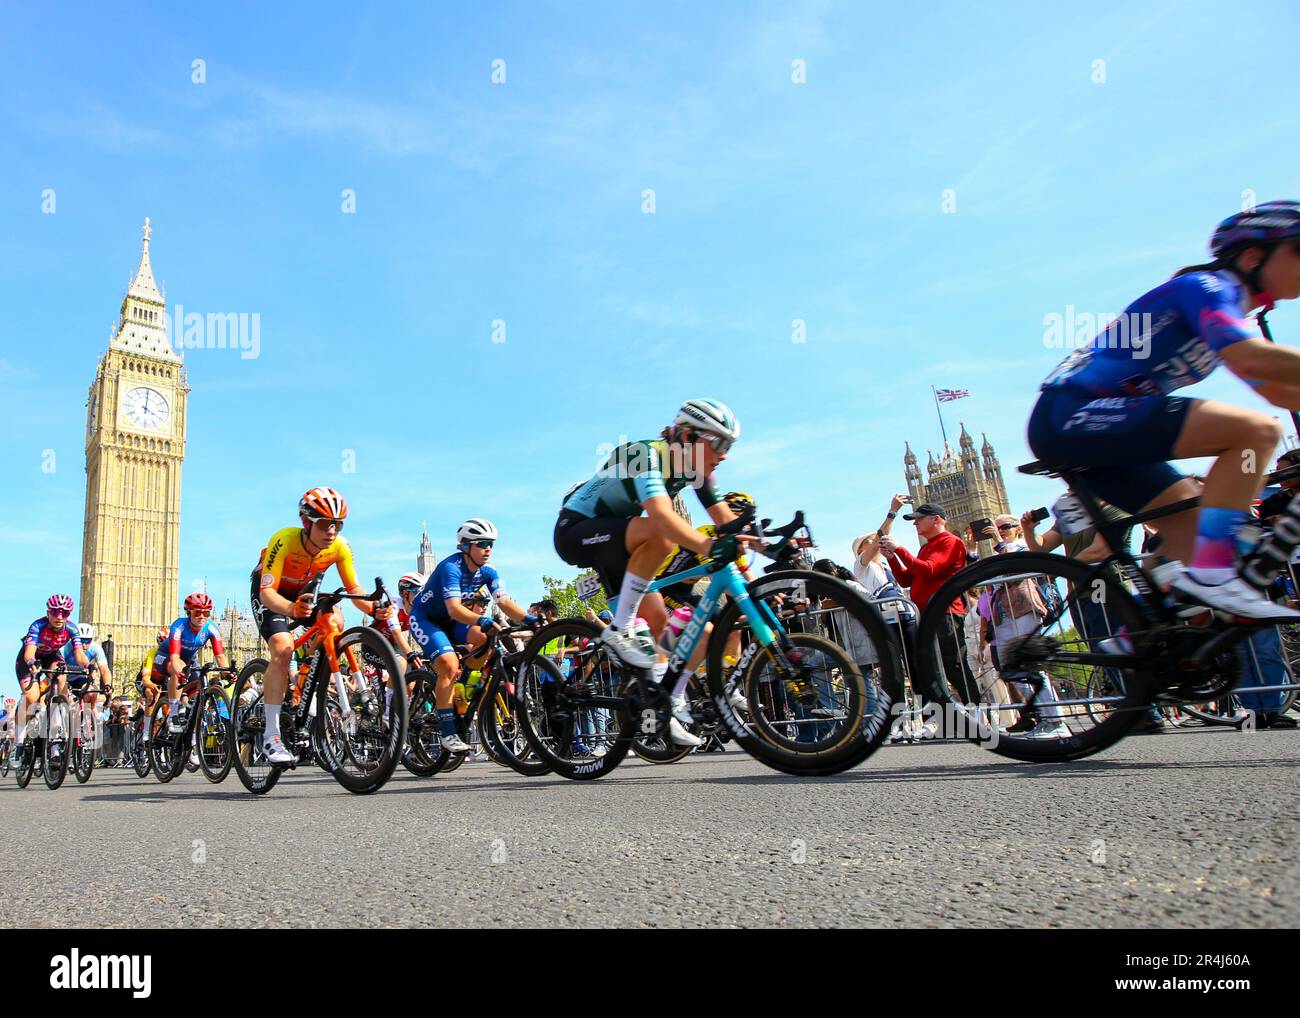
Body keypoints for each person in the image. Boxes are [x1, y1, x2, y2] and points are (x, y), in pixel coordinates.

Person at [1028, 201, 1300, 620]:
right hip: (1070, 413)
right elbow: (1251, 359)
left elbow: (1277, 390)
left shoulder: (1230, 306)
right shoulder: (1206, 288)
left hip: (1109, 434)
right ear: (1252, 256)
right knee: (1257, 431)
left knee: (1204, 541)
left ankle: (1138, 641)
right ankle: (1209, 579)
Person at [554, 399, 753, 746]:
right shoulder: (645, 454)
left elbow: (725, 521)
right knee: (661, 535)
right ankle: (619, 629)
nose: (725, 453)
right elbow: (661, 515)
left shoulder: (698, 469)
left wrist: (766, 546)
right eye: (719, 443)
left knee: (660, 624)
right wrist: (709, 547)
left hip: (622, 544)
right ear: (689, 436)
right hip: (577, 529)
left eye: (730, 445)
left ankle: (666, 704)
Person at [251, 486, 391, 765]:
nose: (332, 532)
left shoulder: (339, 547)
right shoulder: (284, 540)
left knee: (336, 620)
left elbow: (355, 590)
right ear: (306, 522)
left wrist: (376, 608)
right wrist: (291, 609)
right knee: (282, 647)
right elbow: (268, 594)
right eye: (326, 524)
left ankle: (307, 675)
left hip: (305, 593)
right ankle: (271, 736)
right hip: (273, 592)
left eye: (337, 525)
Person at [407, 519, 537, 754]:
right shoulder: (451, 568)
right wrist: (483, 620)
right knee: (448, 664)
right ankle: (447, 732)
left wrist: (530, 621)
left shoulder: (488, 571)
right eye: (483, 544)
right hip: (427, 619)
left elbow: (504, 602)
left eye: (491, 544)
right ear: (466, 546)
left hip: (453, 620)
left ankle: (463, 686)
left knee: (486, 638)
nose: (488, 549)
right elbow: (455, 609)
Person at [879, 504, 978, 717]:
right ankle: (948, 717)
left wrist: (899, 550)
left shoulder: (950, 542)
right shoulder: (927, 546)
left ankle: (977, 712)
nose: (915, 523)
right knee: (933, 668)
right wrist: (892, 558)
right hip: (928, 614)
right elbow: (907, 578)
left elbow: (930, 569)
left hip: (946, 612)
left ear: (936, 519)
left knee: (953, 665)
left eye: (919, 518)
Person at [14, 595, 89, 764]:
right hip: (30, 660)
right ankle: (18, 742)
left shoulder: (72, 629)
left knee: (61, 677)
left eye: (65, 613)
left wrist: (88, 666)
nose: (60, 616)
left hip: (52, 656)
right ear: (48, 612)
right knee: (32, 699)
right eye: (55, 612)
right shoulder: (38, 625)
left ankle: (55, 738)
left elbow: (79, 655)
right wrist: (32, 662)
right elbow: (29, 652)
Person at [157, 593, 231, 734]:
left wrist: (227, 672)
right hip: (166, 656)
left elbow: (220, 656)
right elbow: (174, 658)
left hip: (189, 660)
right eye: (197, 612)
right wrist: (180, 672)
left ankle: (191, 729)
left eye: (206, 613)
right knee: (177, 670)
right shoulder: (179, 626)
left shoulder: (211, 628)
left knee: (199, 683)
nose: (202, 616)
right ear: (189, 613)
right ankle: (173, 714)